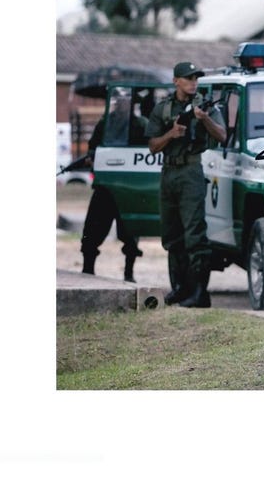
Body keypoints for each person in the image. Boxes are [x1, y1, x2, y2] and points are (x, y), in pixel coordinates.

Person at [146, 61, 226, 308]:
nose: (193, 82)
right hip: (168, 171)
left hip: (191, 171)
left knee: (194, 233)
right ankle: (179, 288)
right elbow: (153, 146)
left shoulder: (204, 106)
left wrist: (204, 119)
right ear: (176, 81)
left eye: (195, 78)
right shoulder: (163, 108)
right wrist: (171, 134)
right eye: (188, 78)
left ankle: (200, 293)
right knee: (171, 234)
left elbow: (222, 135)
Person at [80, 113, 145, 282]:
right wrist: (92, 157)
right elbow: (93, 147)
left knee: (130, 233)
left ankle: (129, 273)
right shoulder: (105, 123)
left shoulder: (140, 124)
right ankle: (88, 269)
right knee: (93, 229)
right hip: (107, 184)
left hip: (129, 185)